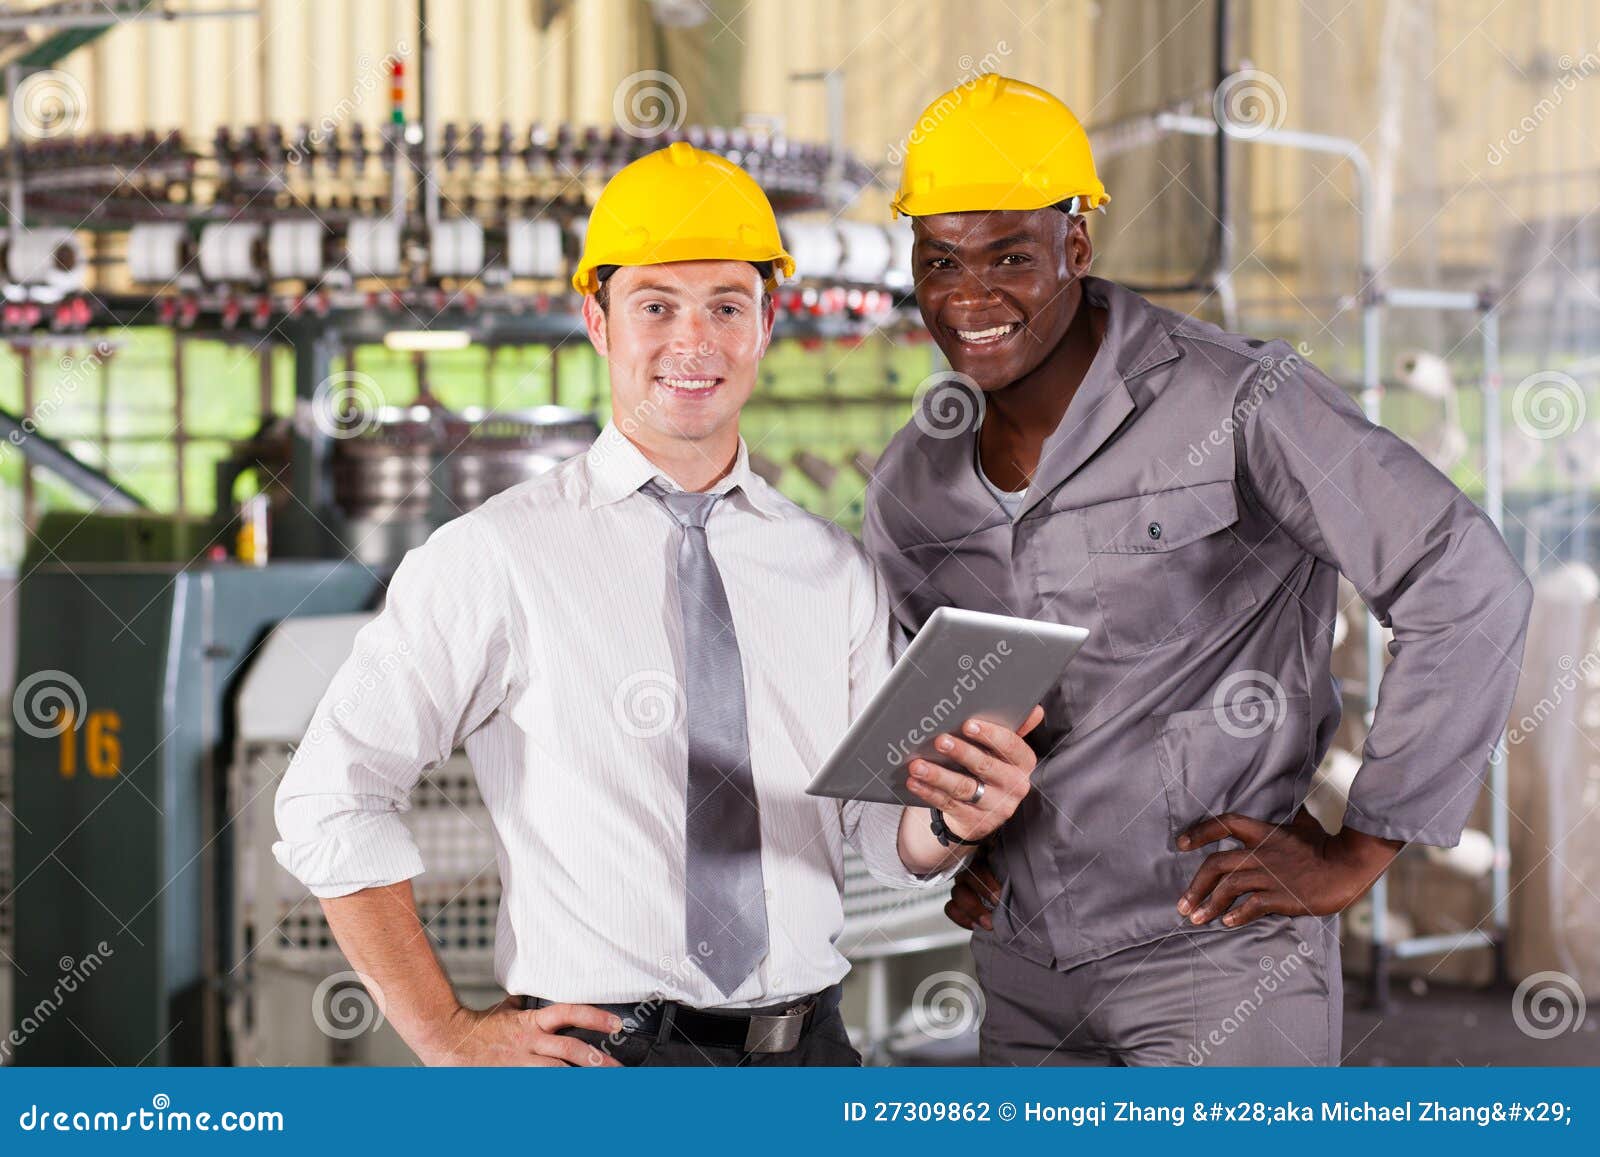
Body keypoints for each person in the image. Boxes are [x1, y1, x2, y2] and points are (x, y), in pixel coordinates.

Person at [273, 142, 1043, 1068]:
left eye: (726, 306)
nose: (693, 342)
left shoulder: (832, 568)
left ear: (766, 324)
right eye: (655, 307)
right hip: (603, 1062)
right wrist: (445, 1033)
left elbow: (880, 833)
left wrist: (957, 812)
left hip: (811, 1056)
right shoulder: (497, 555)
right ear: (597, 320)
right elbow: (329, 798)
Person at [863, 74, 1533, 1066]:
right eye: (939, 261)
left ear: (1074, 245)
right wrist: (955, 834)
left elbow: (1463, 578)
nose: (969, 296)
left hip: (1215, 958)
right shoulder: (913, 481)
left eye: (1008, 255)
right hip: (1018, 965)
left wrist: (1363, 846)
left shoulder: (1240, 401)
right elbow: (921, 718)